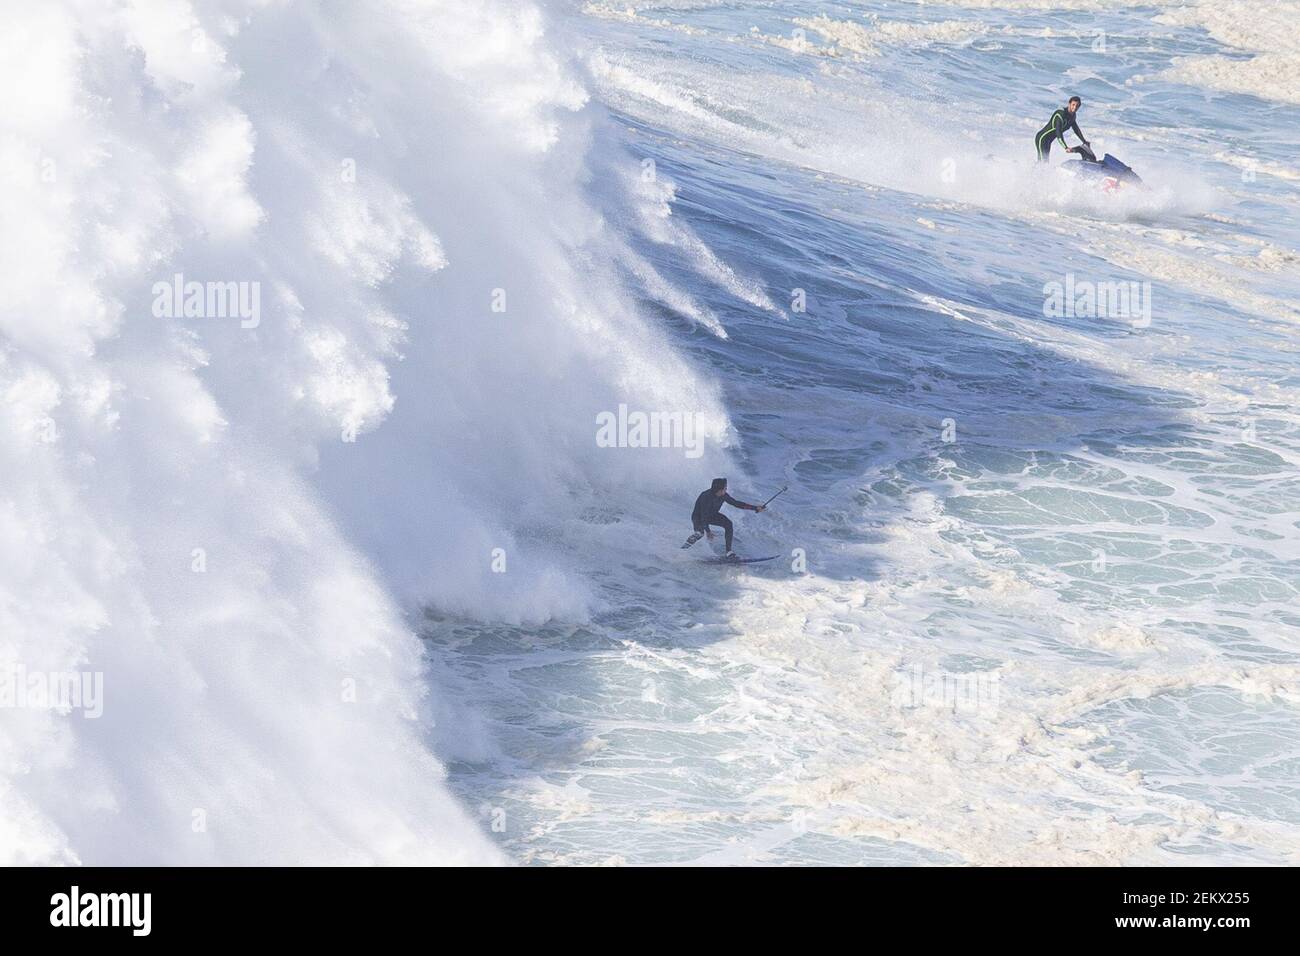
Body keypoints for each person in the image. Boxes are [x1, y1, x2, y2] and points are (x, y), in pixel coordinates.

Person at [682, 478, 765, 558]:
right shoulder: (705, 496)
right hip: (698, 517)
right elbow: (704, 517)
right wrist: (708, 531)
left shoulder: (723, 495)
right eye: (725, 488)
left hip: (712, 515)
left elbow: (736, 503)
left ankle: (729, 552)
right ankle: (683, 549)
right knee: (699, 533)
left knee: (728, 524)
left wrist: (755, 508)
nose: (726, 489)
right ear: (720, 490)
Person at [1035, 96, 1090, 163]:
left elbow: (1076, 130)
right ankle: (1031, 172)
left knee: (1045, 162)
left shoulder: (1073, 116)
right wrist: (1065, 147)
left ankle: (1034, 172)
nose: (1075, 107)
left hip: (1048, 141)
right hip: (1042, 138)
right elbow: (1058, 132)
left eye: (1077, 106)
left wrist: (1084, 141)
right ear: (1069, 104)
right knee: (1042, 162)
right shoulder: (1060, 114)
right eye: (1073, 105)